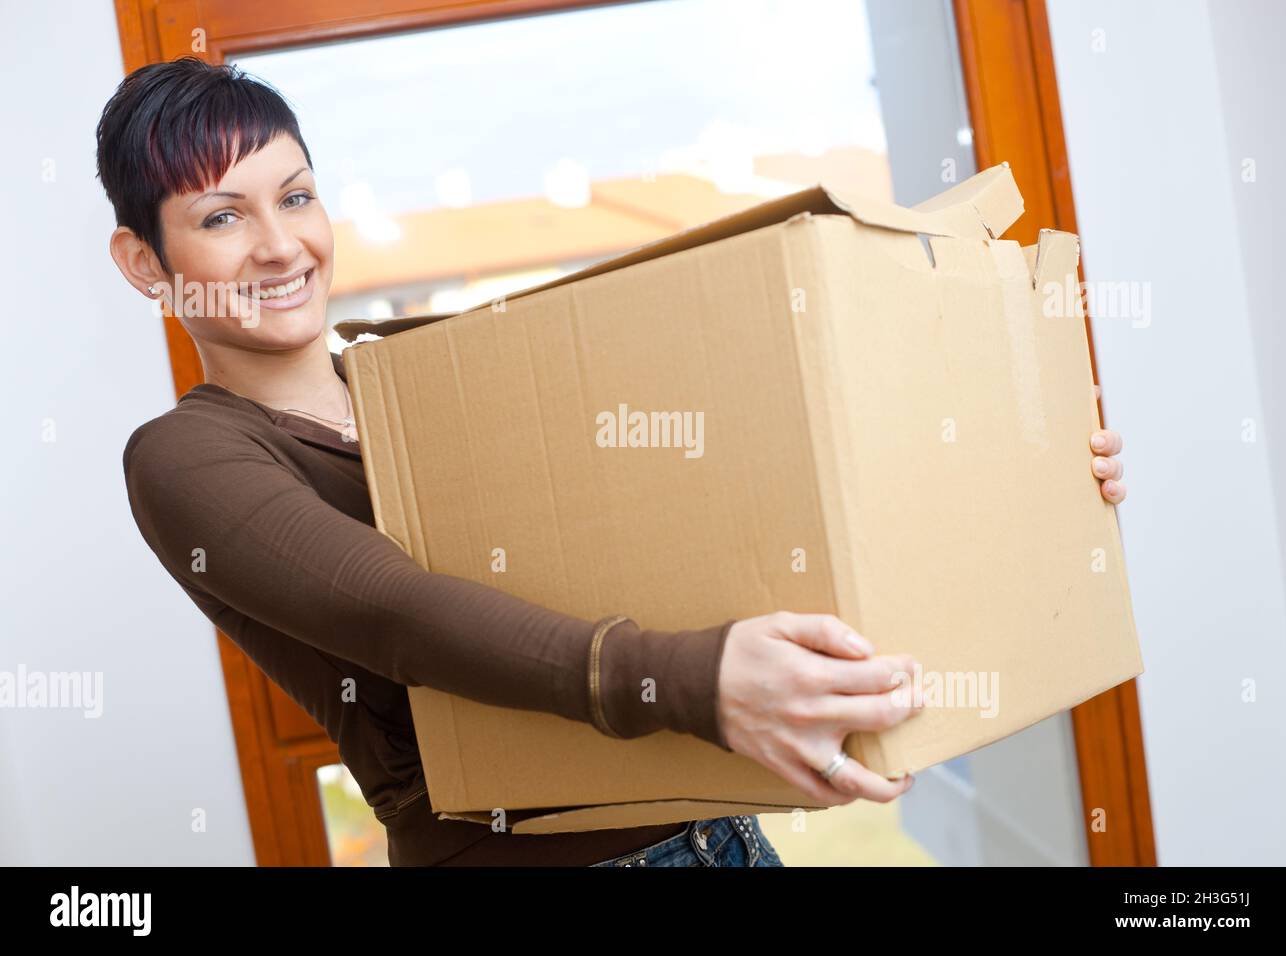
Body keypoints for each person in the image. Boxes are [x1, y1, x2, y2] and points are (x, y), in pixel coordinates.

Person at [98, 57, 1128, 868]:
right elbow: (394, 612)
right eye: (222, 217)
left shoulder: (426, 367)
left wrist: (1018, 467)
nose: (281, 246)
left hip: (710, 837)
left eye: (297, 195)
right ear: (146, 261)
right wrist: (693, 680)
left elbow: (738, 466)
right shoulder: (186, 458)